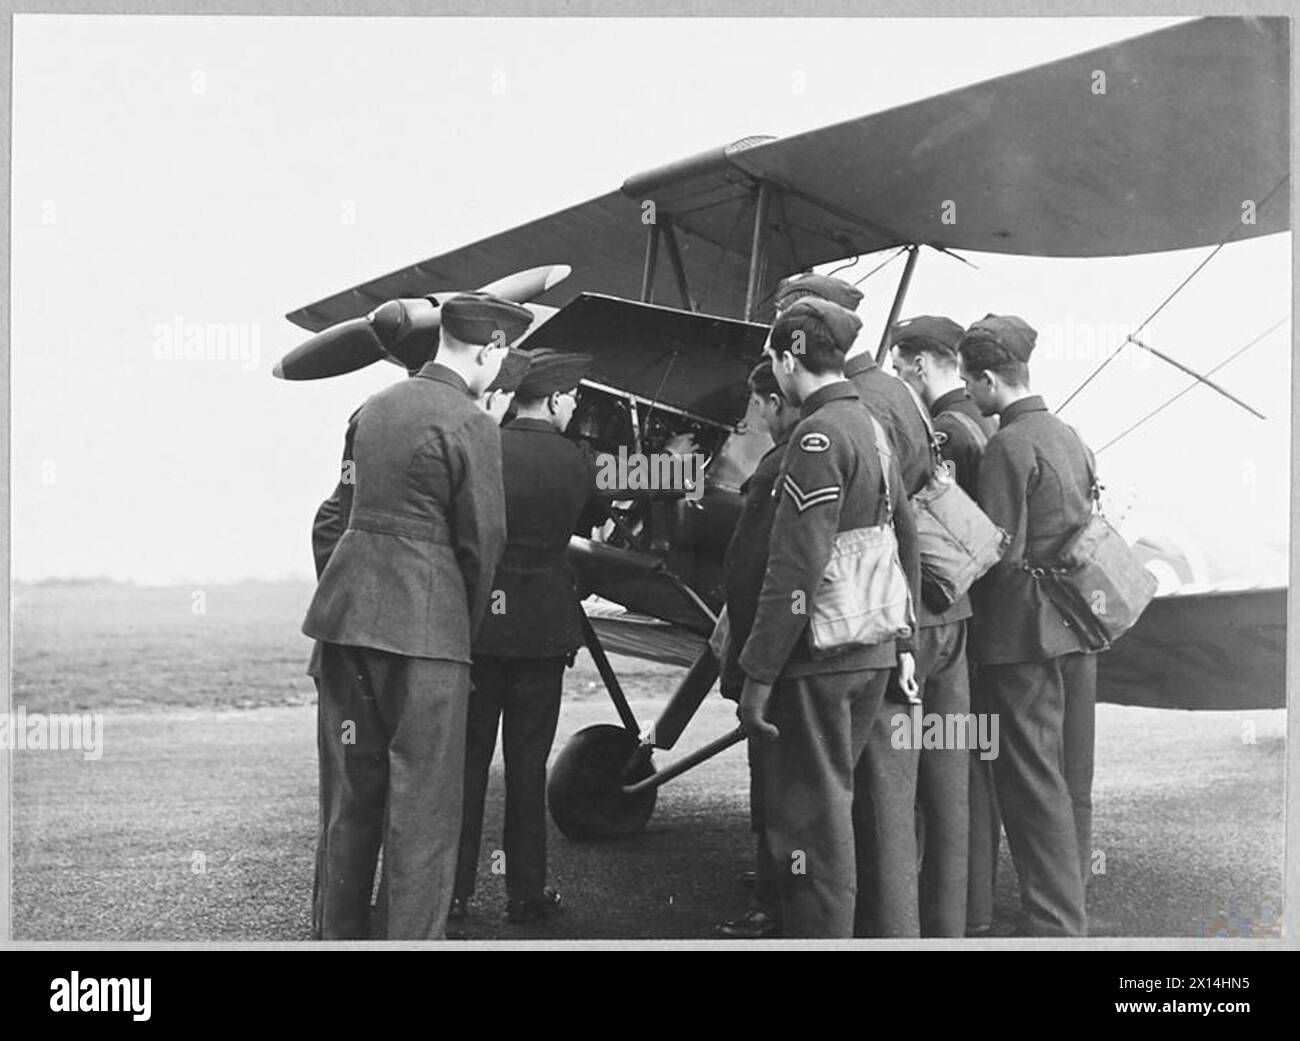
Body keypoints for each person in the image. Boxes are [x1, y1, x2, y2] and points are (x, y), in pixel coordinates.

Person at [304, 292, 531, 941]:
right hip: (426, 638)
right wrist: (461, 634)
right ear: (489, 348)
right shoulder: (472, 423)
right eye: (503, 352)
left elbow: (333, 517)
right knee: (423, 817)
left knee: (348, 805)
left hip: (343, 627)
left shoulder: (369, 409)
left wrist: (348, 590)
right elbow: (482, 543)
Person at [736, 297, 920, 938]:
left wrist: (757, 673)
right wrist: (906, 642)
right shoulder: (871, 425)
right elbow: (907, 537)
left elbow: (795, 571)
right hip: (871, 648)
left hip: (819, 658)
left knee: (811, 825)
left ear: (789, 359)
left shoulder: (816, 437)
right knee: (840, 809)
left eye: (772, 360)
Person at [451, 349, 609, 926]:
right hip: (542, 634)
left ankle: (454, 894)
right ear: (557, 399)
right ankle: (525, 895)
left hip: (482, 630)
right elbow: (597, 517)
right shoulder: (578, 460)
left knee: (468, 767)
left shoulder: (483, 444)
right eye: (571, 401)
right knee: (527, 766)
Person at [958, 314, 1099, 937]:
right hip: (1078, 627)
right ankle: (1071, 911)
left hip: (1021, 639)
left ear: (989, 379)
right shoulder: (1066, 432)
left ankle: (1055, 928)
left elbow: (996, 554)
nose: (971, 396)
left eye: (971, 384)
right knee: (1071, 779)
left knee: (1032, 784)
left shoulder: (1007, 445)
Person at [889, 315, 998, 937]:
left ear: (923, 365)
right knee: (960, 780)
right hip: (966, 618)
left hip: (938, 611)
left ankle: (927, 920)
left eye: (903, 369)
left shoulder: (947, 430)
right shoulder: (980, 420)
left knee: (928, 781)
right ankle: (964, 918)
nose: (901, 379)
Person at [714, 360, 802, 939]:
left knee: (775, 777)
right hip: (782, 650)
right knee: (775, 776)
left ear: (770, 403)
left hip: (773, 654)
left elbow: (755, 575)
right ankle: (776, 880)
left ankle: (776, 903)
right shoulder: (793, 456)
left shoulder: (778, 464)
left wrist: (750, 665)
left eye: (754, 407)